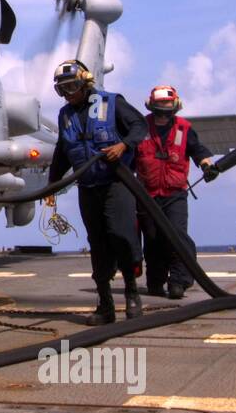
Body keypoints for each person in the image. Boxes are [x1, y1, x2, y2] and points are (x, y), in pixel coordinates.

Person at [42, 59, 148, 324]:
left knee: (121, 236)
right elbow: (62, 152)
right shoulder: (65, 115)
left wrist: (123, 146)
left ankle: (132, 293)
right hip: (88, 187)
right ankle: (105, 305)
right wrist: (52, 185)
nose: (68, 93)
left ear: (86, 82)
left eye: (72, 86)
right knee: (98, 244)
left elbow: (139, 127)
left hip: (116, 183)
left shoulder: (112, 103)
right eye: (62, 89)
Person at [134, 85, 217, 299]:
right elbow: (129, 157)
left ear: (175, 108)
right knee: (152, 240)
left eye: (166, 110)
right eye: (158, 110)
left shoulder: (184, 129)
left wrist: (207, 166)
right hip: (146, 195)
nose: (162, 115)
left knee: (177, 236)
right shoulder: (140, 128)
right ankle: (155, 280)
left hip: (175, 194)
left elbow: (198, 151)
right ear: (152, 108)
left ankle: (179, 280)